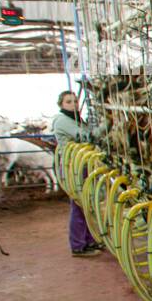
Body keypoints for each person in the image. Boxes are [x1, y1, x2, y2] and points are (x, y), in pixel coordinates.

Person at [52, 89, 102, 257]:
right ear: (61, 104)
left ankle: (89, 240)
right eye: (68, 102)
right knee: (79, 205)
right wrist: (105, 127)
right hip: (73, 167)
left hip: (81, 164)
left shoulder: (75, 119)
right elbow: (85, 136)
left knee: (86, 203)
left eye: (75, 101)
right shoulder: (62, 120)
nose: (73, 104)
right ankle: (78, 245)